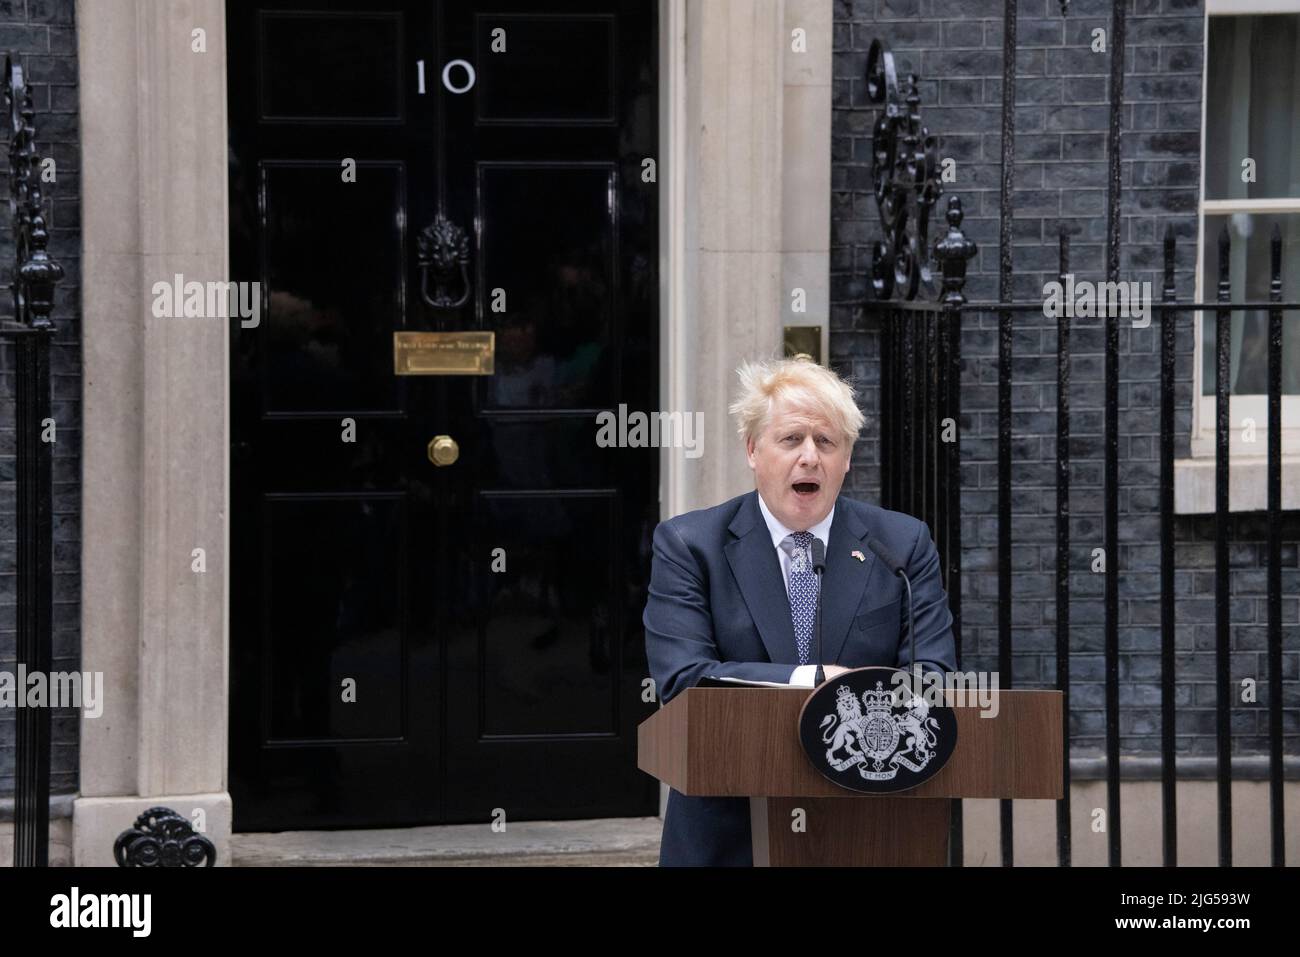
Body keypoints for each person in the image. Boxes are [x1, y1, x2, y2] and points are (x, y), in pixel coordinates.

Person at [643, 356, 957, 866]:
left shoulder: (901, 545)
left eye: (826, 442)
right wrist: (812, 678)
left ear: (847, 458)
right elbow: (684, 681)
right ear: (752, 449)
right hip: (730, 828)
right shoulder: (688, 545)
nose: (810, 457)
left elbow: (934, 676)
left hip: (870, 828)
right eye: (791, 440)